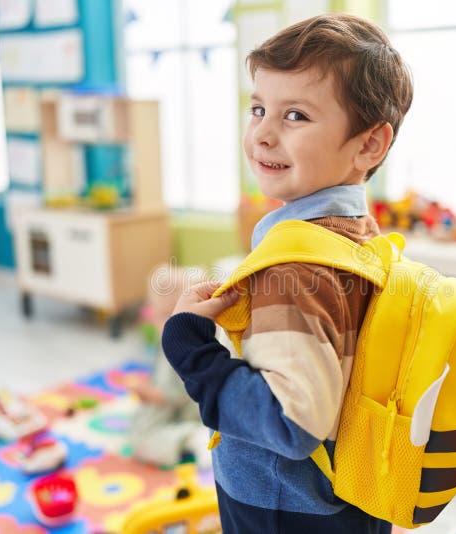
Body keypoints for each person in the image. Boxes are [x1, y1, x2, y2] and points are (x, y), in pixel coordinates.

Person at [162, 13, 413, 533]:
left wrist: (190, 348)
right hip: (349, 497)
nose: (263, 135)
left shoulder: (294, 268)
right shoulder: (359, 234)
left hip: (287, 512)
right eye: (258, 109)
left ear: (369, 144)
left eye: (295, 115)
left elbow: (291, 422)